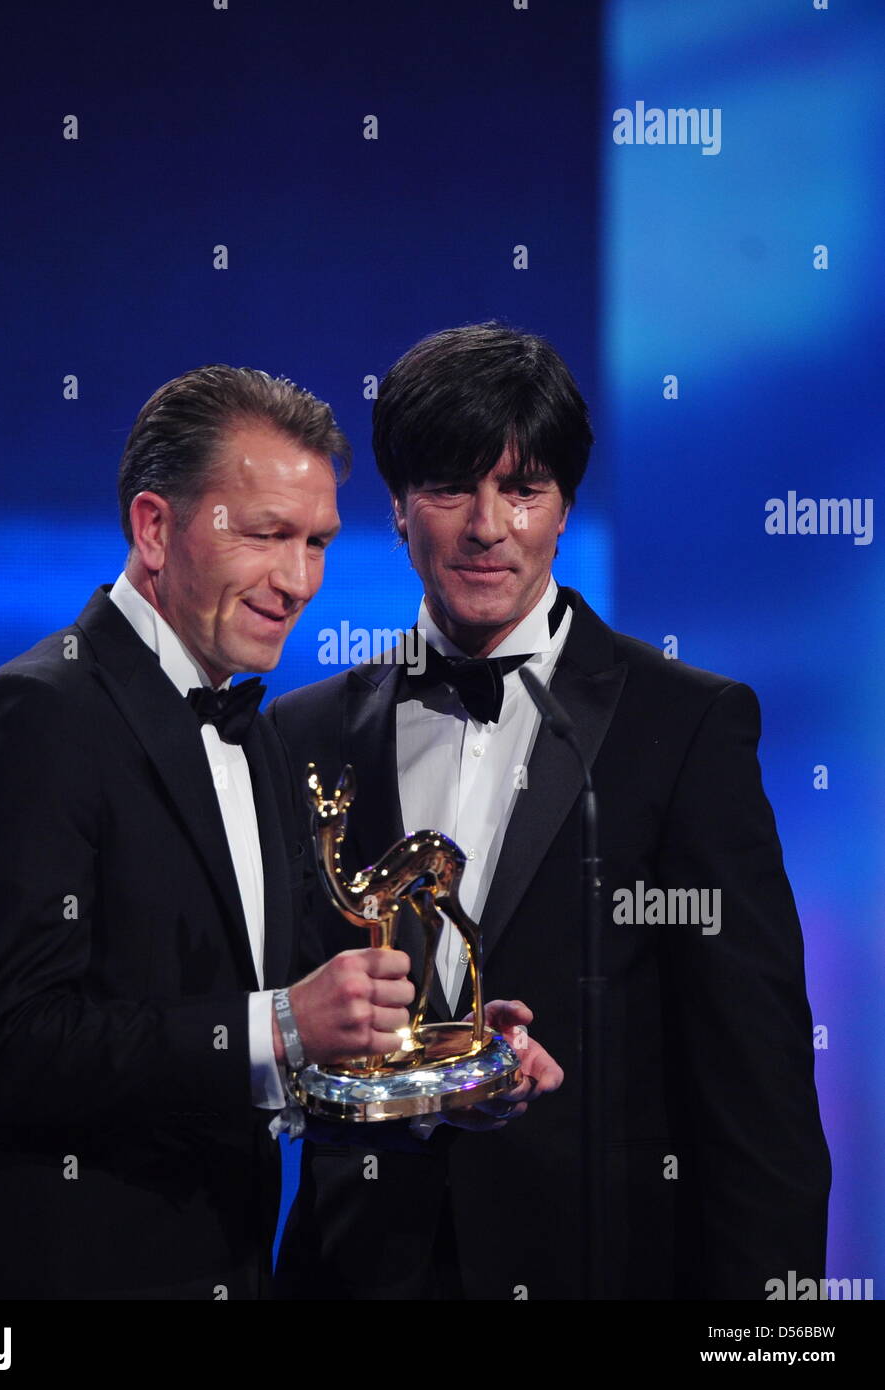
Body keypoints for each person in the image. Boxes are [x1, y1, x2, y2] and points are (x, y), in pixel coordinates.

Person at [268, 323, 832, 1300]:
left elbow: (759, 1092)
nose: (487, 526)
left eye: (520, 488)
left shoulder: (683, 726)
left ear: (563, 506)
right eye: (450, 487)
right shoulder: (302, 738)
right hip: (354, 1275)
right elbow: (263, 1036)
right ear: (397, 509)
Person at [0, 365, 421, 1300]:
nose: (298, 582)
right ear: (156, 528)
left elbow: (245, 1037)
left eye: (318, 544)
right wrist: (282, 1024)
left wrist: (433, 1063)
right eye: (266, 536)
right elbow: (8, 1050)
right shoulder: (31, 718)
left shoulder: (256, 738)